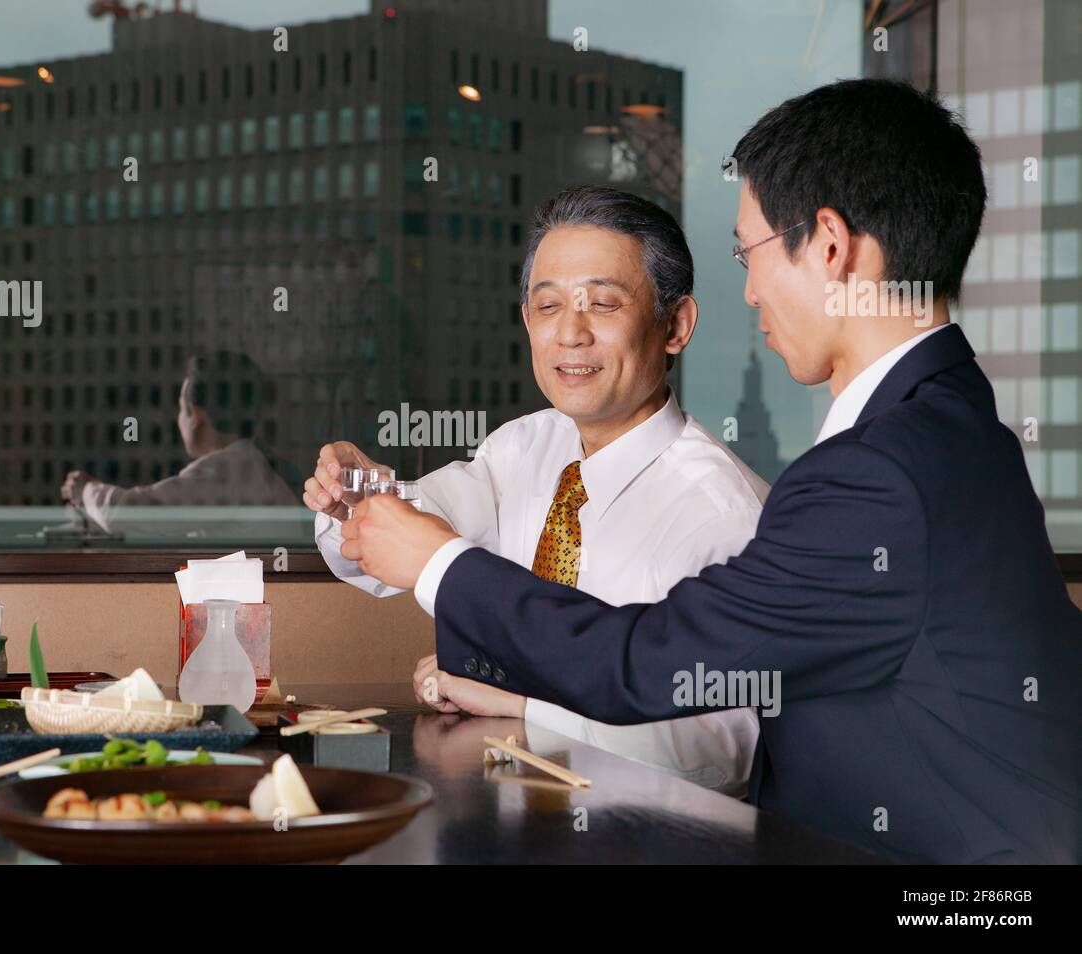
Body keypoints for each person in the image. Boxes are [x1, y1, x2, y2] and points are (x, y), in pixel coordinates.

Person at [338, 79, 1082, 863]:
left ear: (830, 247)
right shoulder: (954, 418)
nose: (751, 291)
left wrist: (437, 562)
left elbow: (644, 664)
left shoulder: (875, 475)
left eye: (750, 252)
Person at [308, 188, 767, 794]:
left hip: (643, 828)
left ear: (675, 325)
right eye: (548, 306)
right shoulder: (527, 446)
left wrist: (524, 703)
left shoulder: (723, 513)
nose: (570, 333)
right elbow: (406, 536)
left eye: (603, 304)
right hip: (509, 807)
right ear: (527, 321)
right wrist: (358, 500)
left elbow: (717, 749)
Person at [62, 350, 295, 531]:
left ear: (195, 415)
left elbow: (133, 514)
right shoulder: (253, 467)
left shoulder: (227, 472)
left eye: (181, 409)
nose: (178, 419)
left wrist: (85, 490)